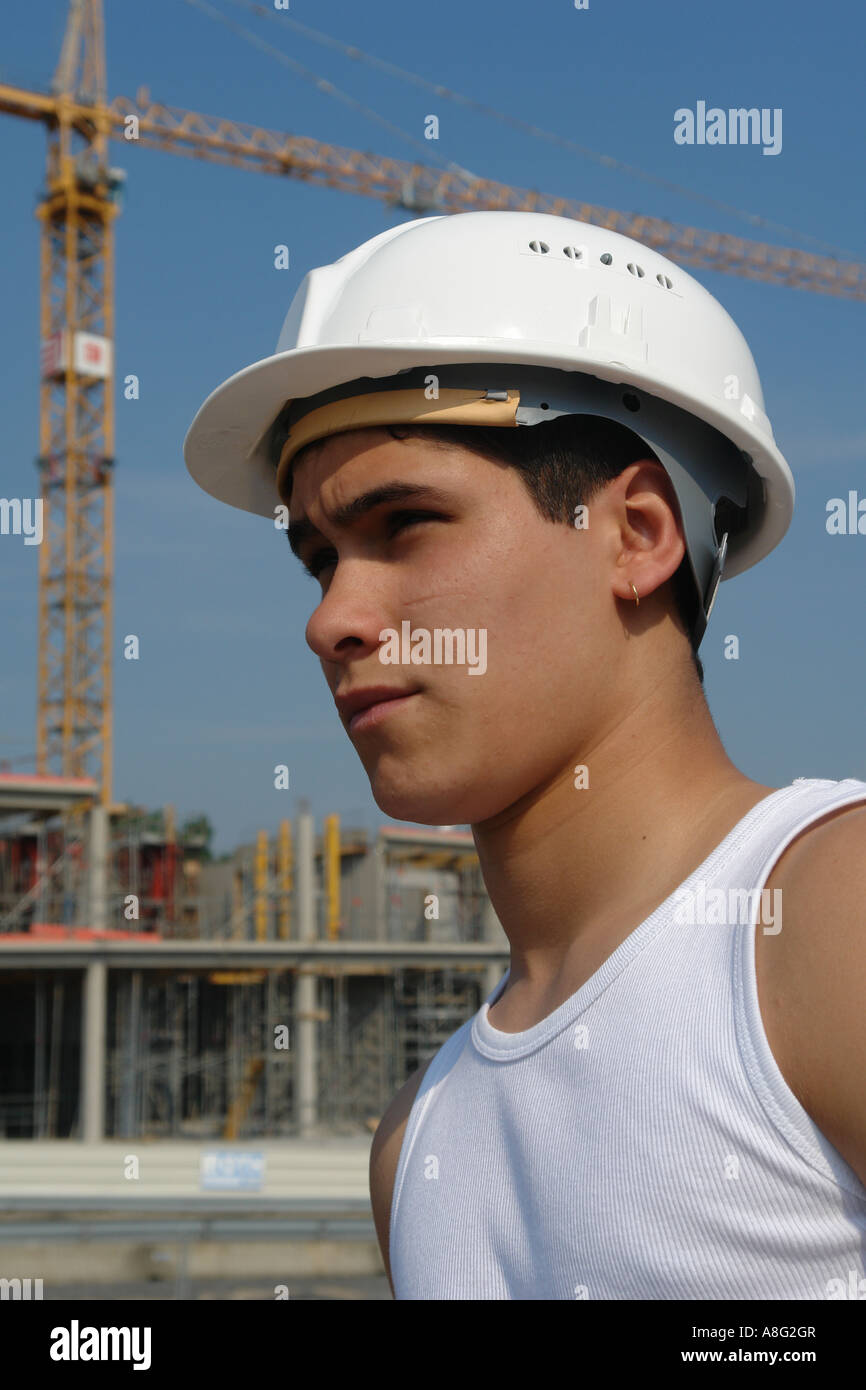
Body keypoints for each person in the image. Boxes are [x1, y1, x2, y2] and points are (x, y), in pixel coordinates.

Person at [185, 210, 866, 1300]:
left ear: (636, 535)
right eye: (318, 561)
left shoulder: (828, 920)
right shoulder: (417, 1141)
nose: (332, 620)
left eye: (404, 523)